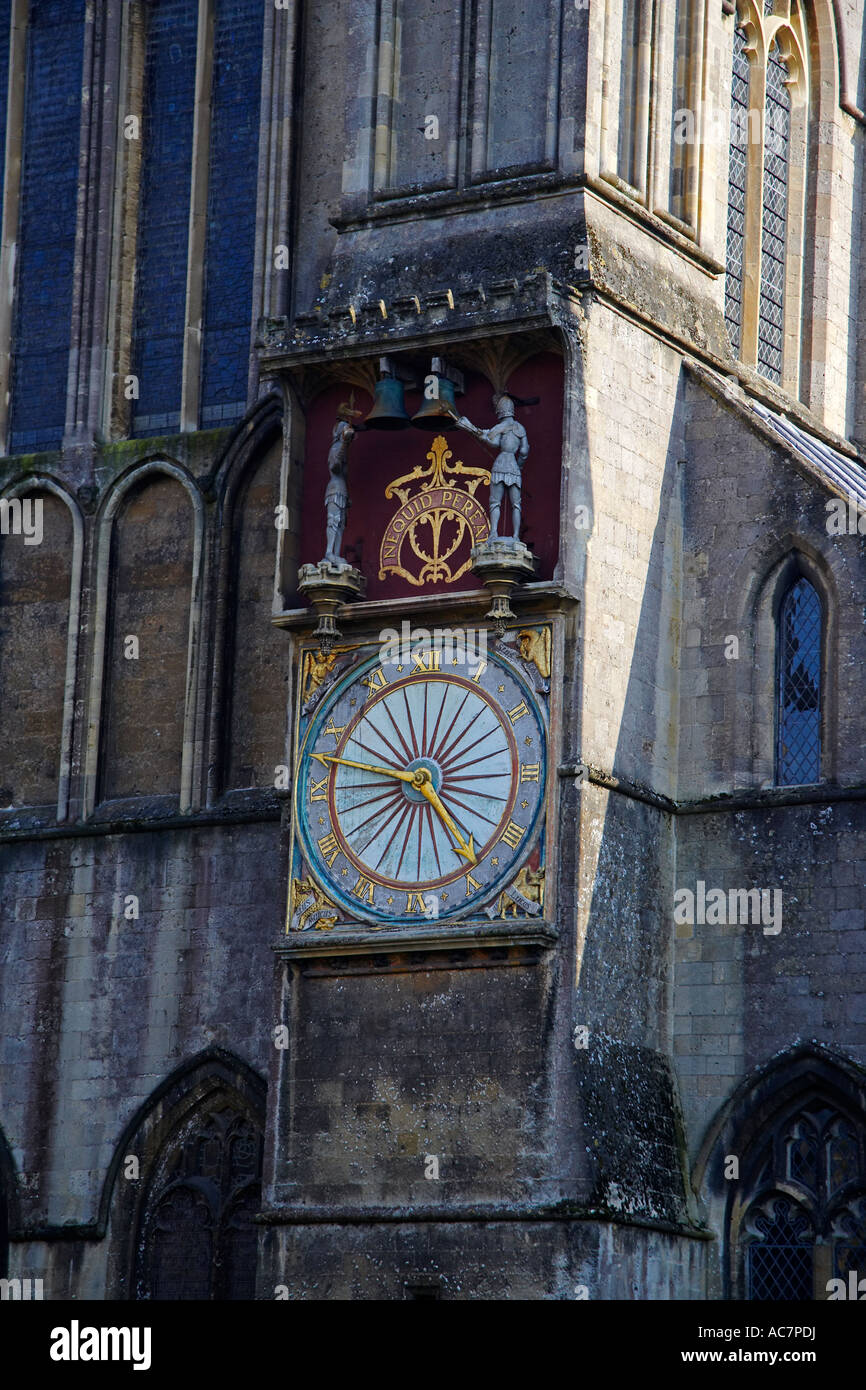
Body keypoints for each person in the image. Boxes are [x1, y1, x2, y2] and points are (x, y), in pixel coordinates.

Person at [455, 395, 528, 540]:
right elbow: (525, 451)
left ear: (500, 412)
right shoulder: (520, 428)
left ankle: (493, 533)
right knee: (516, 505)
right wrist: (519, 466)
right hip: (513, 466)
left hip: (500, 464)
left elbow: (494, 443)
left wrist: (478, 435)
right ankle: (515, 536)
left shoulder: (499, 427)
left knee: (495, 502)